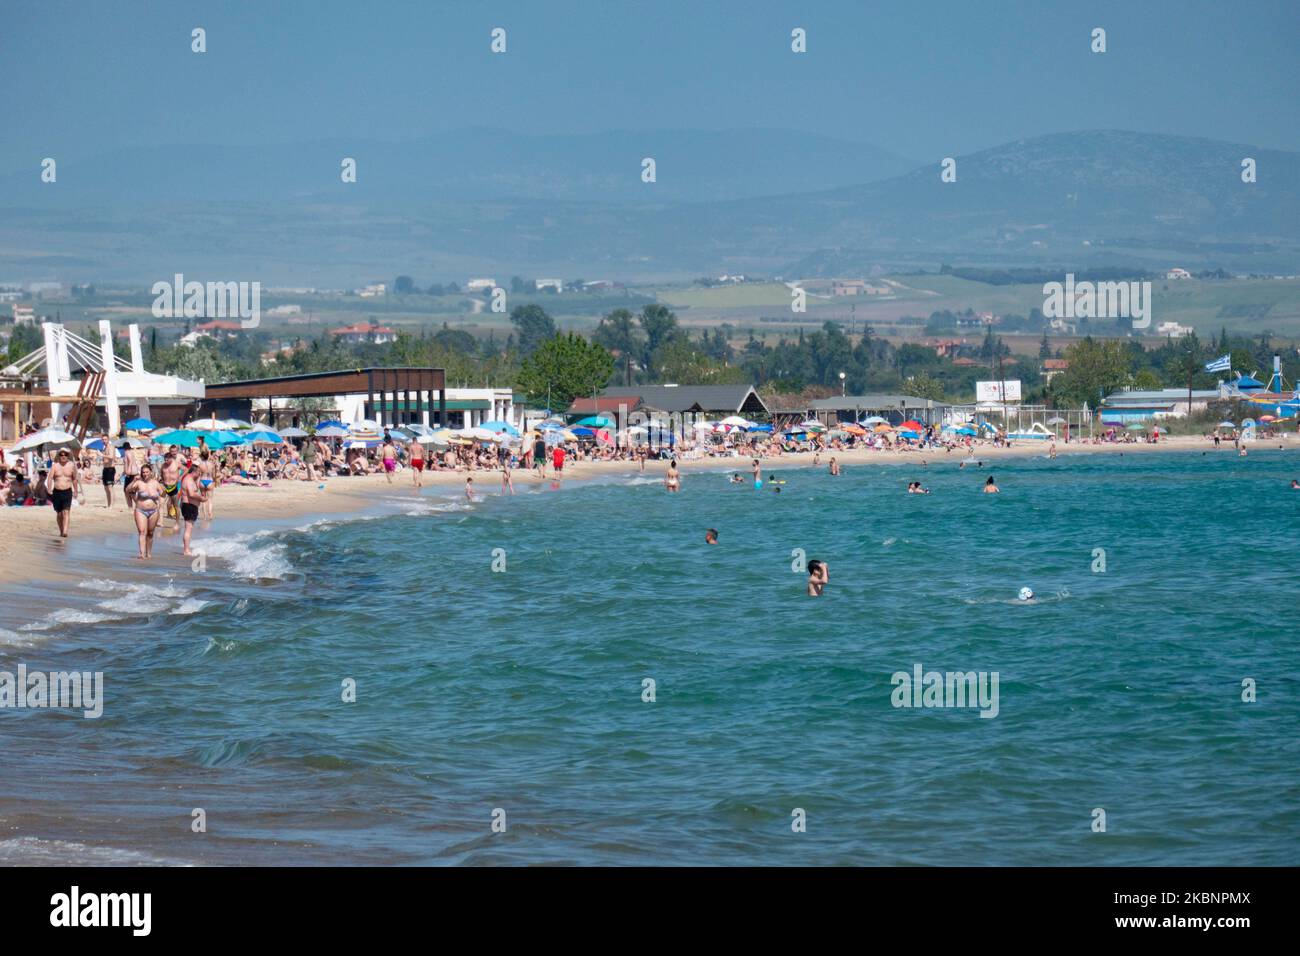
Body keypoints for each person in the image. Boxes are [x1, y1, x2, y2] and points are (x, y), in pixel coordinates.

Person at [129, 463, 164, 559]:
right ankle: (141, 553)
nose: (145, 474)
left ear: (151, 472)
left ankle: (148, 553)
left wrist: (163, 486)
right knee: (142, 532)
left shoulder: (155, 483)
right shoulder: (138, 482)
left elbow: (163, 494)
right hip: (140, 510)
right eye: (143, 472)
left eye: (147, 472)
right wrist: (133, 482)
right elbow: (128, 490)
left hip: (153, 511)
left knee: (150, 533)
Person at [48, 448, 81, 538]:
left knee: (66, 512)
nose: (63, 456)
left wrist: (76, 491)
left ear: (68, 456)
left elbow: (74, 479)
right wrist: (49, 488)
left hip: (67, 491)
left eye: (65, 455)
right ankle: (61, 530)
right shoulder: (55, 466)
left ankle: (65, 531)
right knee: (59, 514)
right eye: (61, 455)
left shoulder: (71, 466)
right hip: (57, 492)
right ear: (59, 456)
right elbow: (50, 477)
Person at [178, 463, 207, 556]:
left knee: (189, 528)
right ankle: (186, 550)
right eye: (199, 473)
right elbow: (191, 494)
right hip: (189, 505)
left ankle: (187, 548)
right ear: (194, 472)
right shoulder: (189, 480)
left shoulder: (190, 479)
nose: (200, 475)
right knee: (188, 528)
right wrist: (201, 499)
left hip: (190, 505)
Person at [100, 434, 118, 507]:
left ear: (108, 439)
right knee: (105, 487)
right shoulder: (104, 448)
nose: (104, 441)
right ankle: (108, 504)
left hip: (110, 468)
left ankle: (111, 505)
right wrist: (101, 461)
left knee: (110, 487)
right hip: (105, 468)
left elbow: (111, 456)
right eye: (103, 439)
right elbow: (106, 459)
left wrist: (102, 455)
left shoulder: (111, 447)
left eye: (105, 439)